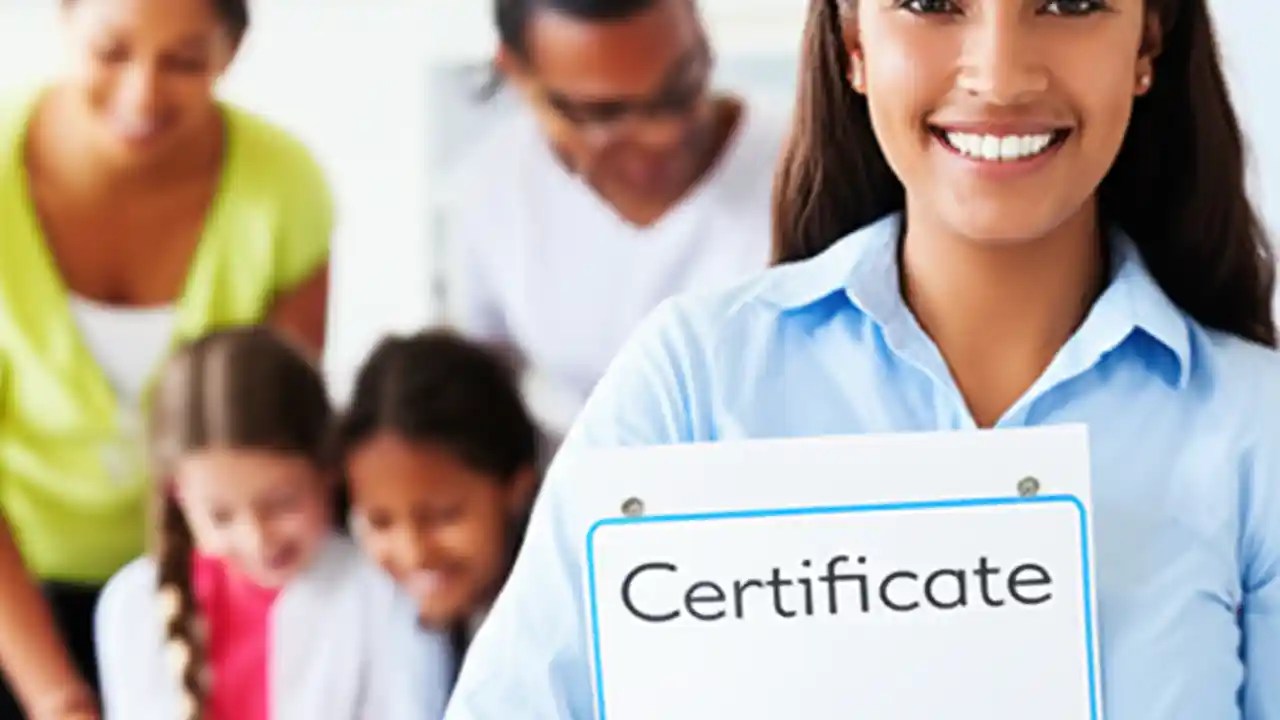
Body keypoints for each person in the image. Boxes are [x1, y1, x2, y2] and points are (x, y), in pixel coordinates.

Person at [446, 0, 1280, 717]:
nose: (1000, 73)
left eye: (1068, 3)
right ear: (853, 43)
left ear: (1147, 46)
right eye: (929, 1)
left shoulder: (1254, 432)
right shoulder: (692, 385)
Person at [0, 0, 331, 712]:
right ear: (62, 20)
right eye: (111, 51)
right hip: (15, 592)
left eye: (184, 61)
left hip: (209, 579)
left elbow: (281, 439)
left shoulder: (281, 188)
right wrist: (59, 699)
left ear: (232, 51)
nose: (141, 94)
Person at [447, 0, 784, 440]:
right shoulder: (494, 188)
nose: (661, 134)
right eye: (604, 114)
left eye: (680, 88)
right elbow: (479, 390)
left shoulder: (809, 169)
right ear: (517, 75)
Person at [93, 328, 440, 720]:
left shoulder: (385, 596)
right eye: (221, 515)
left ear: (327, 469)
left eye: (281, 504)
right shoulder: (132, 606)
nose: (256, 539)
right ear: (178, 495)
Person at [337, 331, 540, 713]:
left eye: (444, 517)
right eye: (380, 522)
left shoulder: (559, 630)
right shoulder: (379, 619)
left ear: (517, 487)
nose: (414, 553)